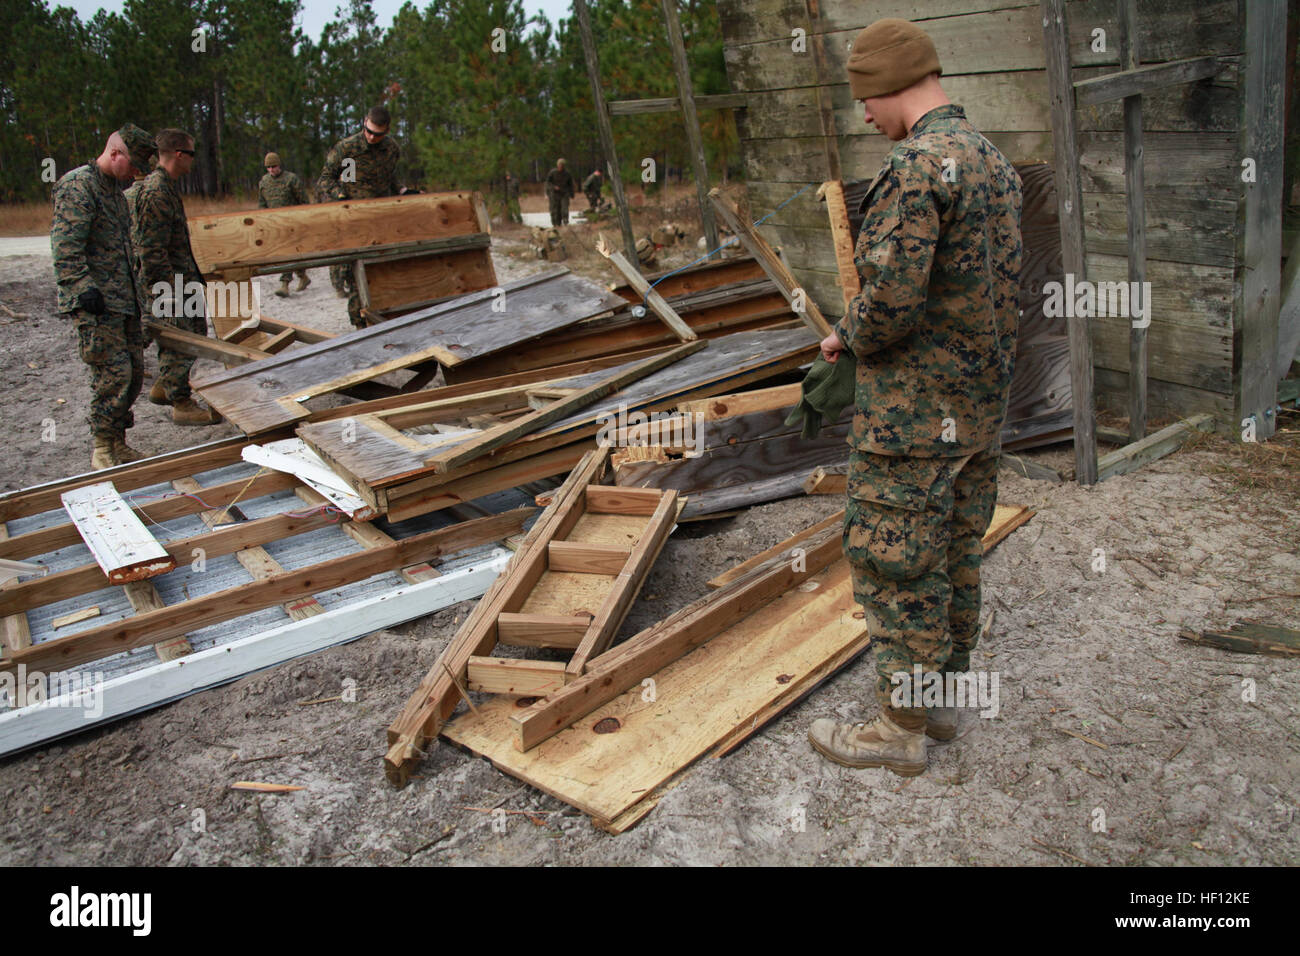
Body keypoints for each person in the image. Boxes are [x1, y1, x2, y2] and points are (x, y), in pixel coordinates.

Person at [806, 18, 1023, 776]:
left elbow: (892, 301)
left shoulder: (916, 167)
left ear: (895, 83)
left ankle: (898, 729)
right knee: (957, 553)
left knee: (895, 560)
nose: (863, 113)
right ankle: (935, 705)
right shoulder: (993, 163)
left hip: (912, 421)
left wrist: (846, 338)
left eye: (866, 97)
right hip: (978, 414)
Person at [51, 124, 156, 469]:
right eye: (134, 165)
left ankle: (117, 441)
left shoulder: (113, 191)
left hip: (123, 299)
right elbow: (66, 248)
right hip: (96, 302)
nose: (136, 173)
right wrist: (82, 289)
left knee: (135, 374)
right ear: (115, 154)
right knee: (114, 375)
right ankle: (102, 448)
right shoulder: (78, 185)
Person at [131, 128, 221, 426]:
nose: (193, 161)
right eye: (192, 154)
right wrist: (166, 291)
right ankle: (180, 402)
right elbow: (151, 248)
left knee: (191, 333)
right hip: (171, 285)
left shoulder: (166, 186)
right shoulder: (156, 191)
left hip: (181, 280)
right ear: (179, 154)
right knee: (183, 340)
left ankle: (164, 387)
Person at [317, 106, 409, 326]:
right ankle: (360, 324)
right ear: (364, 122)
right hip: (353, 222)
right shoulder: (347, 148)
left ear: (387, 130)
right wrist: (340, 196)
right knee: (356, 278)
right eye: (368, 131)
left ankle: (385, 321)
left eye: (378, 134)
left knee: (384, 272)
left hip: (381, 220)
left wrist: (402, 190)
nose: (371, 137)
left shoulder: (391, 149)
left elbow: (391, 178)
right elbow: (325, 179)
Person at [258, 151, 311, 297]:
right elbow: (262, 204)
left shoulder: (291, 179)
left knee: (288, 253)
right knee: (287, 254)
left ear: (279, 165)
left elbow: (304, 201)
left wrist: (303, 219)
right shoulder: (264, 182)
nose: (271, 170)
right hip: (275, 225)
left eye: (273, 166)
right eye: (268, 167)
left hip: (293, 224)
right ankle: (303, 277)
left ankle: (284, 284)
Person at [544, 158, 574, 227]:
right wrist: (553, 187)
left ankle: (565, 222)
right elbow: (547, 183)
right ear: (557, 165)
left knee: (564, 209)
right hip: (554, 194)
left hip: (564, 194)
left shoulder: (567, 174)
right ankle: (556, 224)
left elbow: (570, 184)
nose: (561, 166)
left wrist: (571, 194)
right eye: (560, 165)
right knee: (555, 210)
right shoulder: (552, 173)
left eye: (562, 165)